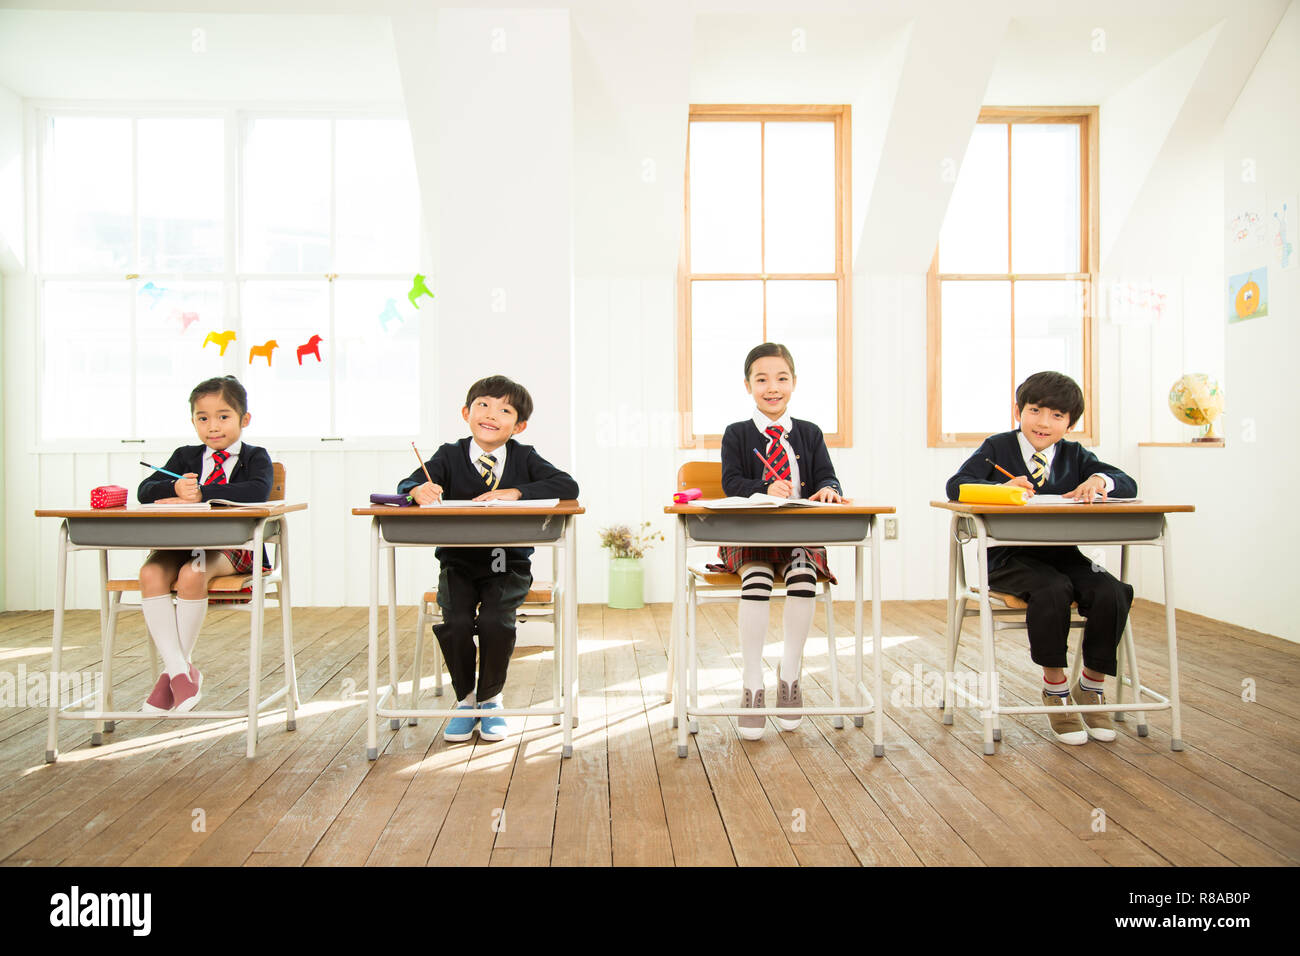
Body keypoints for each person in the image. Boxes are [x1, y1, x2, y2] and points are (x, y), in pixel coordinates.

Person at [945, 370, 1137, 744]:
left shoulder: (1075, 455)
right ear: (1019, 410)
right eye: (1035, 410)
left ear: (1070, 423)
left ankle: (1090, 686)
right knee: (1053, 590)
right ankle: (1056, 690)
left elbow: (1126, 482)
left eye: (1057, 416)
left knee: (1112, 591)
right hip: (1007, 559)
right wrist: (999, 488)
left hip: (1065, 556)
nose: (1044, 423)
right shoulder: (997, 447)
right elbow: (957, 485)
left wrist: (1100, 481)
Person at [399, 375, 578, 743]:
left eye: (505, 410)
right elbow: (404, 486)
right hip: (458, 563)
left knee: (497, 619)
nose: (492, 414)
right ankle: (466, 702)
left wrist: (517, 491)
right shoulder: (448, 456)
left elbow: (567, 486)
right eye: (483, 405)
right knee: (458, 619)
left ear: (519, 425)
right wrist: (418, 489)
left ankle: (491, 700)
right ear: (466, 412)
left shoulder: (524, 457)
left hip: (507, 565)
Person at [711, 343, 849, 741]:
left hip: (799, 535)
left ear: (794, 382)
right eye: (762, 379)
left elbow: (828, 476)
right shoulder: (737, 433)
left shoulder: (809, 433)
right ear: (748, 385)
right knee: (755, 578)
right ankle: (752, 680)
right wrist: (765, 487)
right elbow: (731, 483)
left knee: (803, 577)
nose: (773, 387)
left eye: (781, 378)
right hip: (750, 535)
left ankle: (790, 674)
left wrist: (827, 490)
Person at [136, 375, 273, 713]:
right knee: (150, 572)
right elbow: (145, 489)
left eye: (223, 416)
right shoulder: (185, 457)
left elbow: (257, 491)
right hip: (181, 543)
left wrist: (203, 493)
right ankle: (180, 672)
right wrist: (174, 489)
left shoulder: (255, 457)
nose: (213, 426)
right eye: (203, 418)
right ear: (194, 421)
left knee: (192, 575)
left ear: (244, 420)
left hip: (233, 547)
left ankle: (173, 674)